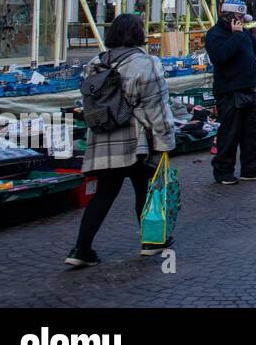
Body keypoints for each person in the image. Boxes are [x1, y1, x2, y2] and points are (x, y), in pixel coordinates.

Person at [66, 14, 175, 268]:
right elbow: (157, 107)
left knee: (104, 194)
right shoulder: (147, 63)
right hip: (137, 138)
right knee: (145, 190)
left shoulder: (96, 62)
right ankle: (151, 242)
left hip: (104, 137)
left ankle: (81, 249)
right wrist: (166, 140)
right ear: (138, 33)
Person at [205, 0, 256, 184]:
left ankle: (251, 169)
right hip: (230, 91)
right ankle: (223, 171)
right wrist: (236, 36)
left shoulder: (243, 33)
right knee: (230, 133)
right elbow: (221, 56)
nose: (243, 21)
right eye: (239, 17)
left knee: (251, 132)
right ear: (229, 17)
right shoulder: (215, 34)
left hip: (247, 88)